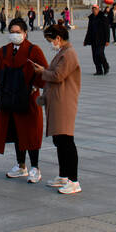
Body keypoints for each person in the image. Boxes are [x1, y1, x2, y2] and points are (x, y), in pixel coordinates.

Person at [0, 17, 46, 183]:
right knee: (16, 132)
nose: (14, 35)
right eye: (12, 32)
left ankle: (35, 168)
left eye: (18, 32)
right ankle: (21, 165)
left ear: (25, 33)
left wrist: (35, 86)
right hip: (10, 98)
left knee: (31, 133)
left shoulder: (34, 50)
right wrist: (0, 86)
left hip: (28, 99)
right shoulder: (4, 50)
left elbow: (43, 71)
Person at [32, 22, 82, 194]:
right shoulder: (62, 52)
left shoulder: (69, 54)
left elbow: (58, 75)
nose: (51, 44)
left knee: (66, 140)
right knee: (59, 140)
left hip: (65, 102)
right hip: (57, 101)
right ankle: (64, 175)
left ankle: (74, 180)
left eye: (51, 40)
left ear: (58, 38)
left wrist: (41, 72)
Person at [83, 4, 111, 75]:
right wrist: (86, 40)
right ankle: (99, 70)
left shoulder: (103, 17)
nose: (94, 10)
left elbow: (107, 30)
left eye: (95, 9)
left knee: (100, 53)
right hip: (93, 39)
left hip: (102, 39)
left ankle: (106, 66)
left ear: (98, 10)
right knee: (95, 56)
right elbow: (89, 30)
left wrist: (107, 40)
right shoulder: (91, 18)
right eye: (93, 9)